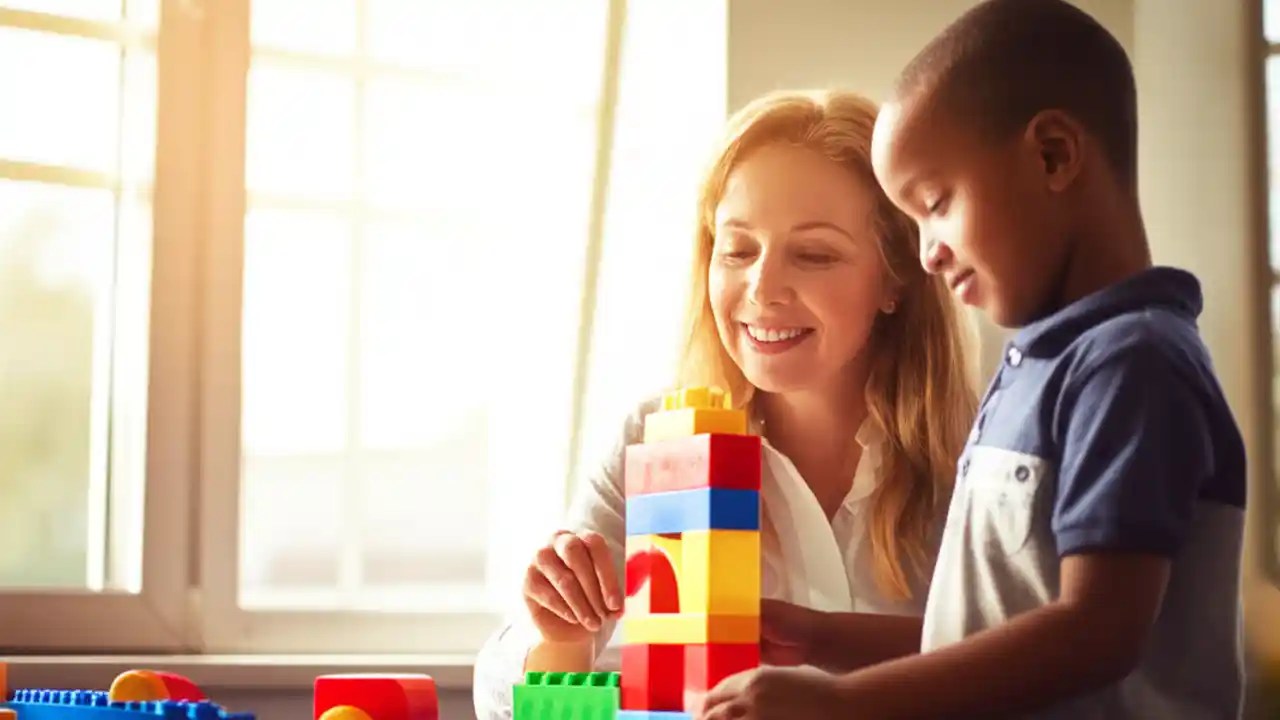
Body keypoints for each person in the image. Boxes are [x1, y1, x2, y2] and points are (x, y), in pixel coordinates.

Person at [698, 1, 1248, 719]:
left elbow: (1096, 634)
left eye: (936, 203)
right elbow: (983, 640)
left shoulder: (1133, 365)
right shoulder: (1039, 369)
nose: (927, 252)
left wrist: (844, 706)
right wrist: (818, 638)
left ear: (1053, 155)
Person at [471, 89, 978, 719]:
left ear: (896, 279)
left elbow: (1033, 677)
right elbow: (510, 701)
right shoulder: (656, 443)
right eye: (736, 250)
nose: (762, 288)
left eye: (814, 254)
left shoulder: (975, 459)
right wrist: (561, 635)